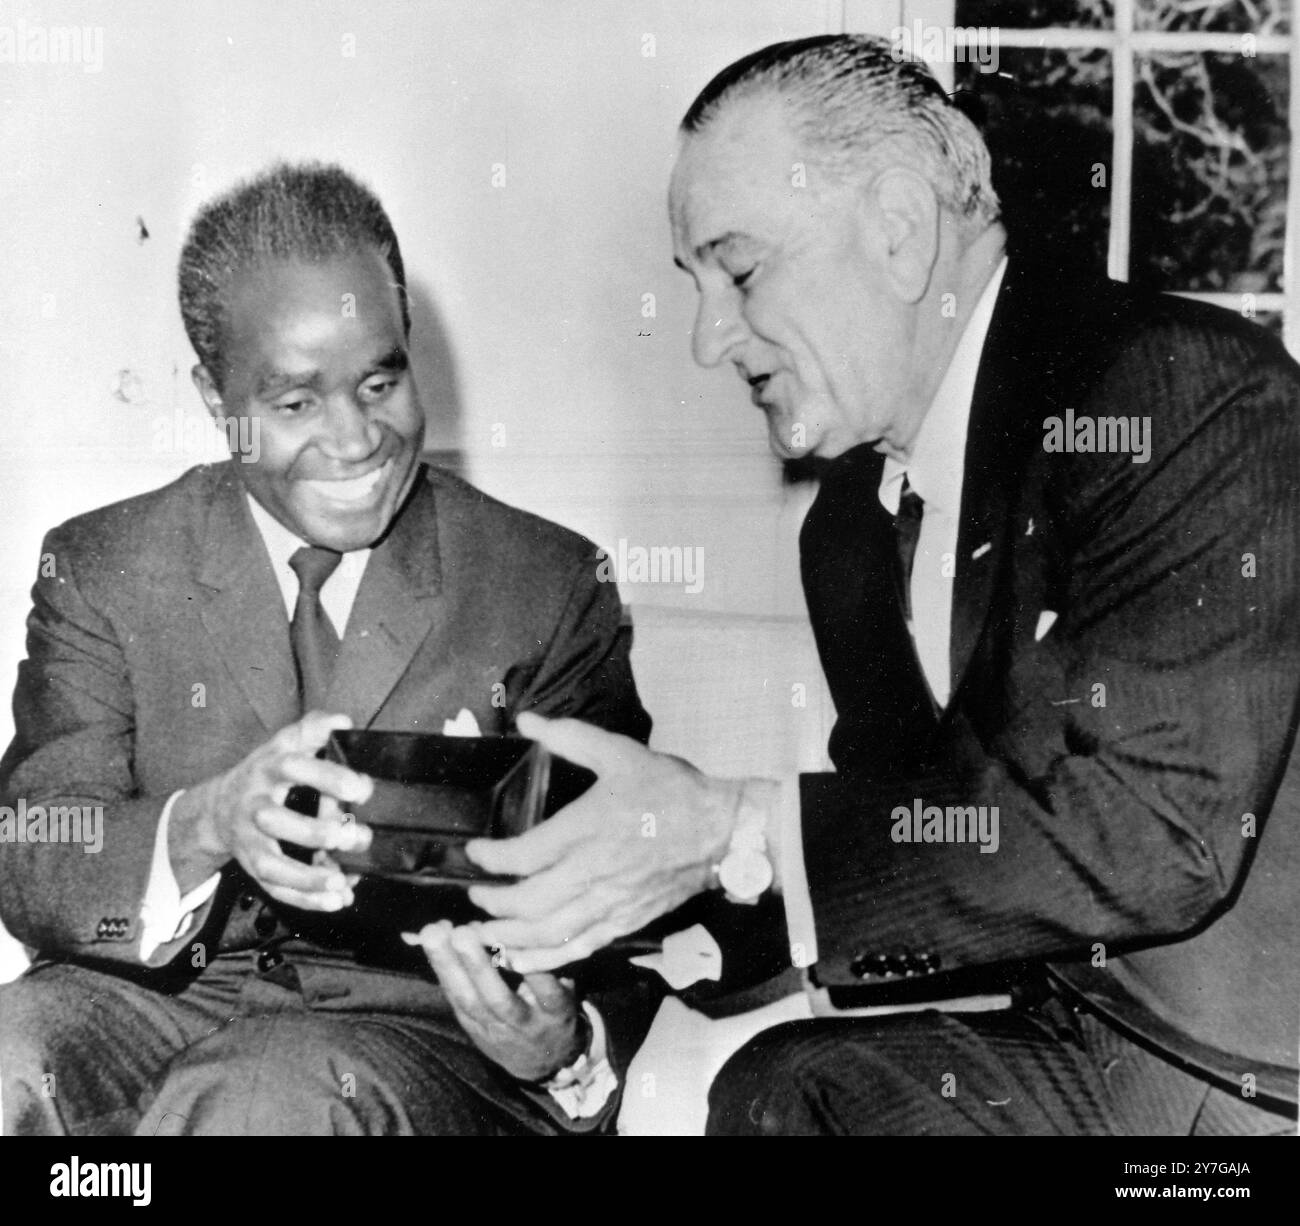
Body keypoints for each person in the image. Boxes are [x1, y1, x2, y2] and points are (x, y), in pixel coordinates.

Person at [454, 36, 1300, 1135]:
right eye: (697, 287)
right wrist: (618, 915)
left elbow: (1153, 835)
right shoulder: (851, 532)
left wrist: (725, 826)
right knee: (781, 1092)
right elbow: (915, 835)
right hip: (1077, 1051)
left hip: (1253, 1084)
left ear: (899, 229)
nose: (712, 340)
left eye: (742, 270)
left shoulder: (1179, 397)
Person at [0, 161, 658, 1135]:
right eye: (297, 402)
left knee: (262, 1095)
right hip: (160, 996)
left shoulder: (548, 582)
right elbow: (32, 849)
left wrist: (562, 1047)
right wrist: (204, 822)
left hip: (426, 1038)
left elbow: (621, 903)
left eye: (381, 380)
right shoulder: (104, 565)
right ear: (215, 394)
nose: (358, 440)